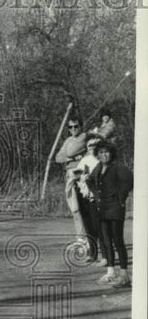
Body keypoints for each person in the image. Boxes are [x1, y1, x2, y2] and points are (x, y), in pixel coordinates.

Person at [87, 141, 133, 287]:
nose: (104, 155)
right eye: (100, 152)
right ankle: (111, 272)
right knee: (106, 241)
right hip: (102, 208)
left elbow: (128, 182)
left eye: (106, 152)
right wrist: (96, 194)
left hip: (115, 208)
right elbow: (90, 181)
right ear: (97, 154)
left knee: (118, 241)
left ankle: (124, 275)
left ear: (111, 153)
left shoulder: (118, 167)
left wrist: (120, 198)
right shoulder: (99, 167)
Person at [73, 133, 106, 264]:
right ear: (86, 147)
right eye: (90, 145)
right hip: (85, 195)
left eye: (95, 145)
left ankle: (105, 256)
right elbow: (77, 174)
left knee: (101, 227)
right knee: (89, 226)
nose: (92, 147)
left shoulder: (102, 160)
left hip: (98, 197)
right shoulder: (84, 160)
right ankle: (92, 254)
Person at [54, 117, 88, 243]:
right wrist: (69, 159)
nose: (73, 129)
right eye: (70, 127)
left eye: (76, 126)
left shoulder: (83, 137)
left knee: (85, 207)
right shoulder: (68, 139)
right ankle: (81, 237)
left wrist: (68, 156)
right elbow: (58, 157)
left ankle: (90, 237)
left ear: (81, 126)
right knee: (75, 208)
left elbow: (70, 151)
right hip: (69, 175)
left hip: (81, 175)